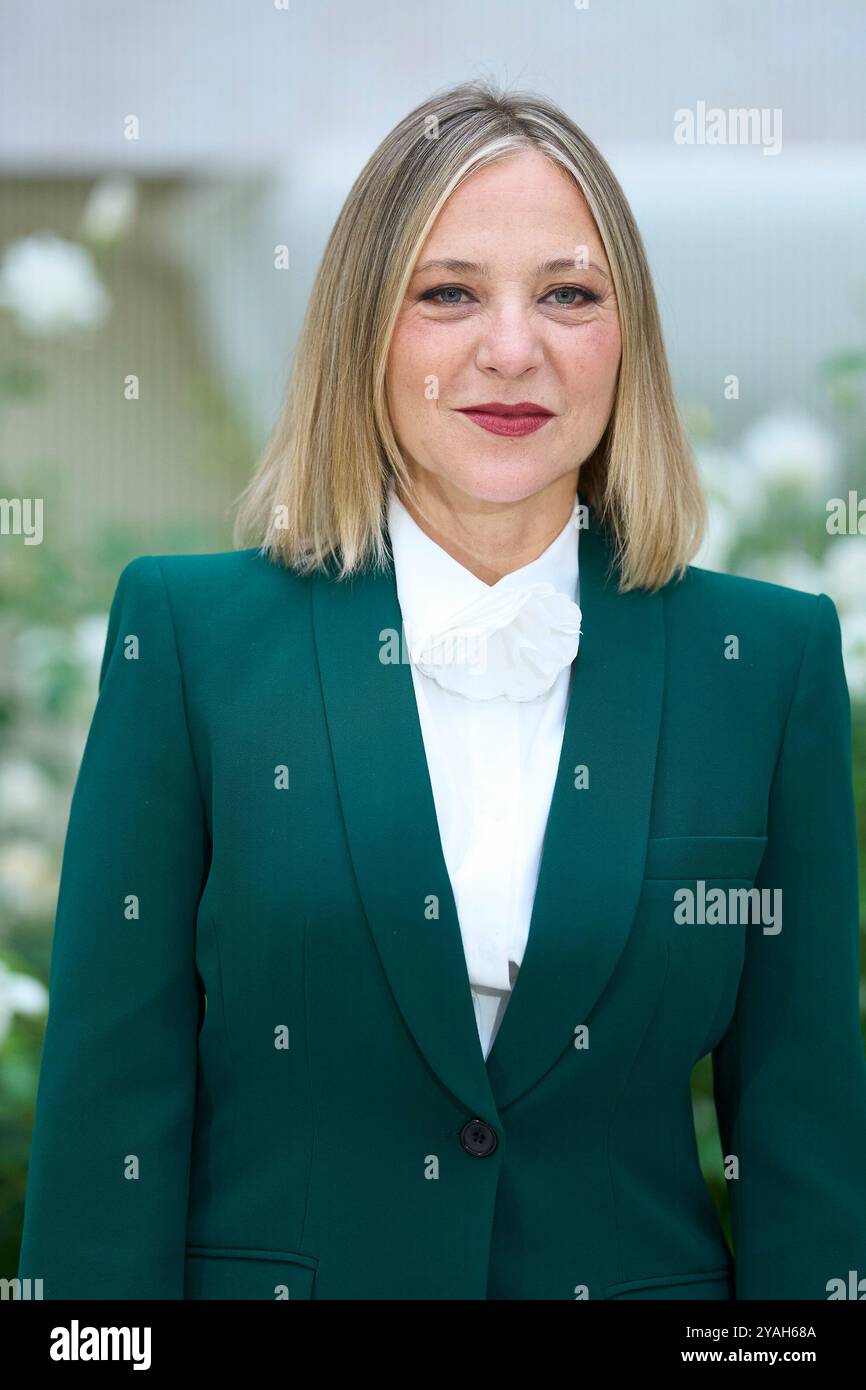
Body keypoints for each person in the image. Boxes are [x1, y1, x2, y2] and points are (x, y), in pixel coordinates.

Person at [17, 79, 866, 1300]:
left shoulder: (766, 662)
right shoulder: (191, 639)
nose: (511, 349)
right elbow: (110, 1118)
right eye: (448, 292)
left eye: (568, 294)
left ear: (627, 338)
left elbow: (800, 1139)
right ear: (366, 330)